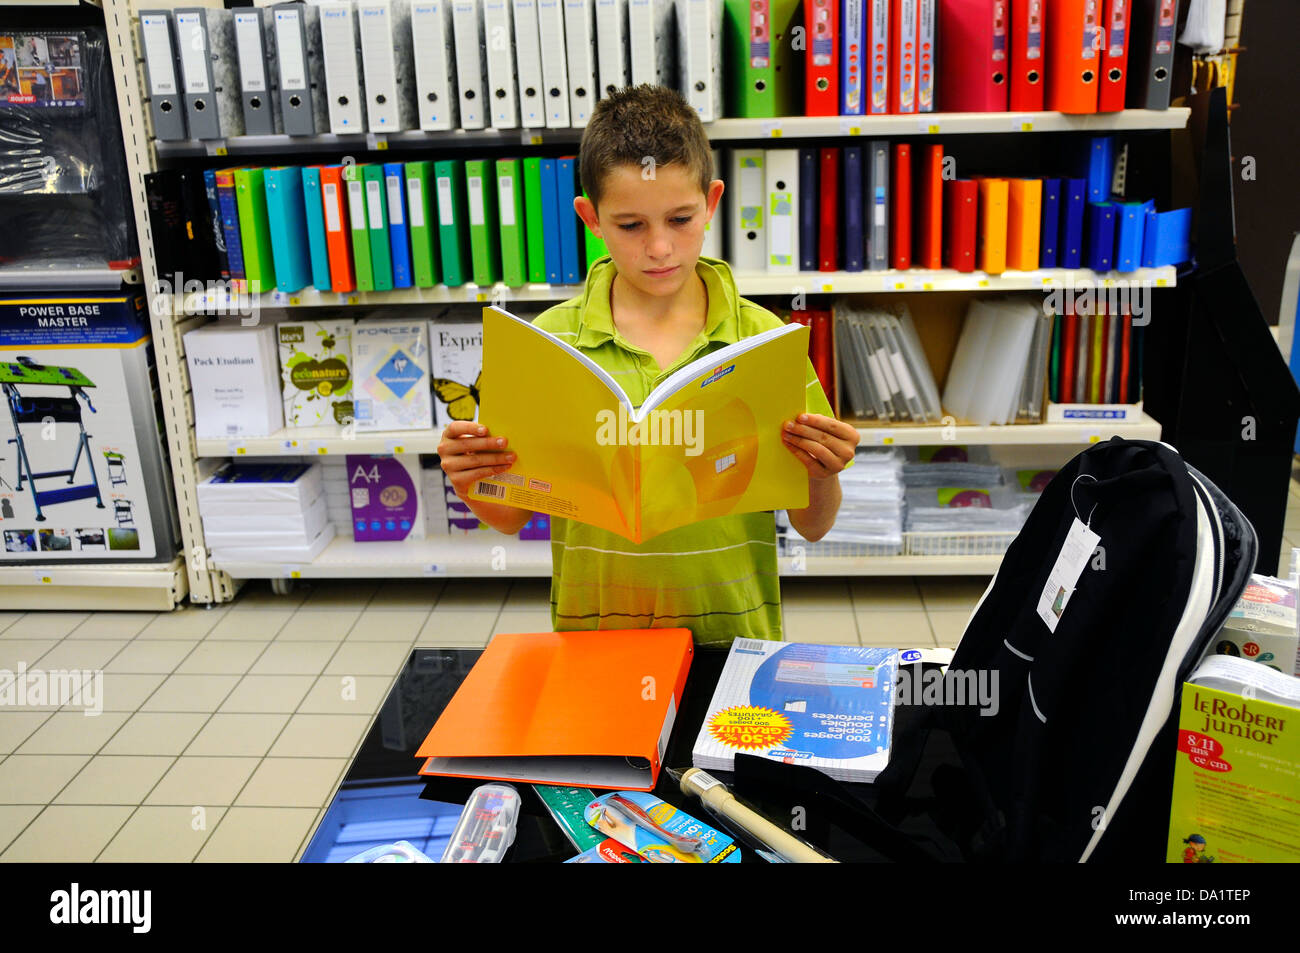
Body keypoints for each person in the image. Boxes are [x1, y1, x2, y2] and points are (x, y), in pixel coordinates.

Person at [439, 84, 858, 644]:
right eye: (631, 225)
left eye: (680, 219)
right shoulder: (550, 342)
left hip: (734, 634)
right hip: (595, 636)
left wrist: (821, 473)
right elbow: (510, 518)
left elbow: (815, 525)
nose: (659, 248)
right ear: (591, 218)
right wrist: (471, 481)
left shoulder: (764, 338)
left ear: (711, 204)